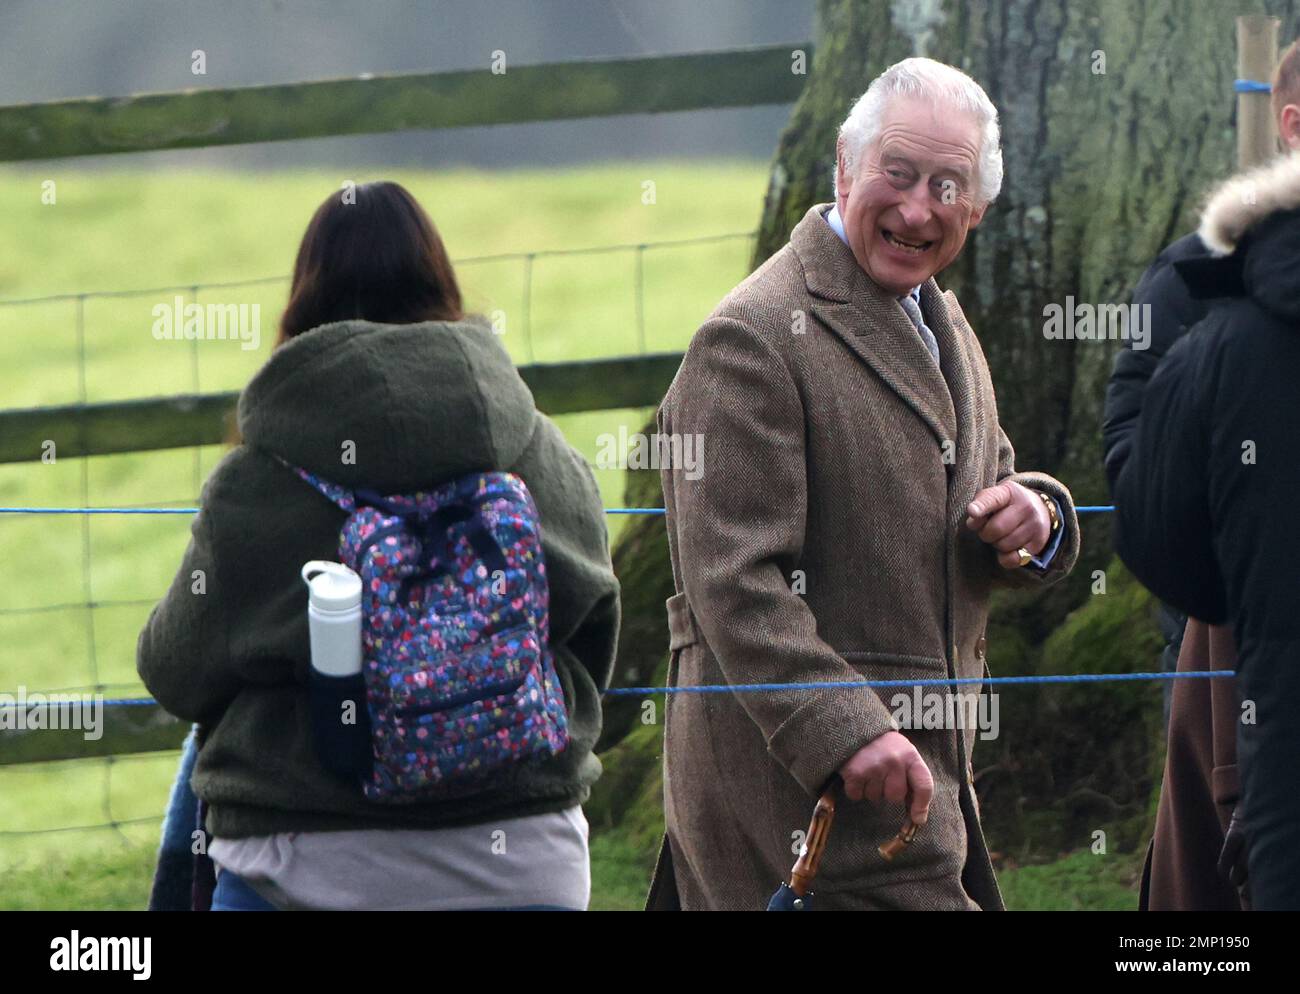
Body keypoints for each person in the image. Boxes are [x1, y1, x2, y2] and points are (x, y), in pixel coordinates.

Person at [647, 58, 1079, 911]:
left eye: (948, 186)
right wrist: (844, 729)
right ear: (844, 167)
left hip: (923, 797)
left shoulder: (938, 317)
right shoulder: (752, 336)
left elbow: (987, 481)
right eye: (898, 172)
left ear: (978, 210)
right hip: (803, 805)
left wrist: (1037, 515)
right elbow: (732, 583)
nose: (919, 208)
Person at [137, 181, 620, 911]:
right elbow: (594, 626)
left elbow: (175, 673)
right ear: (441, 279)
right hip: (525, 860)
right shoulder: (541, 455)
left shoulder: (254, 482)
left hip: (305, 869)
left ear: (304, 298)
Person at [1104, 37, 1300, 910]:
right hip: (1227, 672)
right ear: (1291, 124)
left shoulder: (1226, 336)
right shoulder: (1196, 289)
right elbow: (1141, 480)